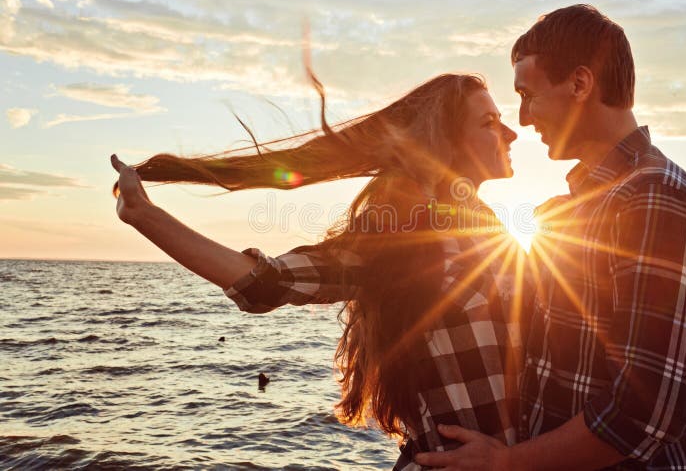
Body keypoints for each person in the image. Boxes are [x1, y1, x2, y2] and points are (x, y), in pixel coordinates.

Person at [110, 73, 537, 470]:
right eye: (489, 123)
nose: (510, 133)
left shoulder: (488, 228)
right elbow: (267, 283)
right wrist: (145, 216)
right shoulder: (403, 235)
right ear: (445, 141)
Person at [416, 5, 686, 470]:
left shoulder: (656, 198)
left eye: (528, 95)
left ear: (580, 84)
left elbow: (646, 412)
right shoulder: (571, 209)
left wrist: (509, 464)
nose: (523, 119)